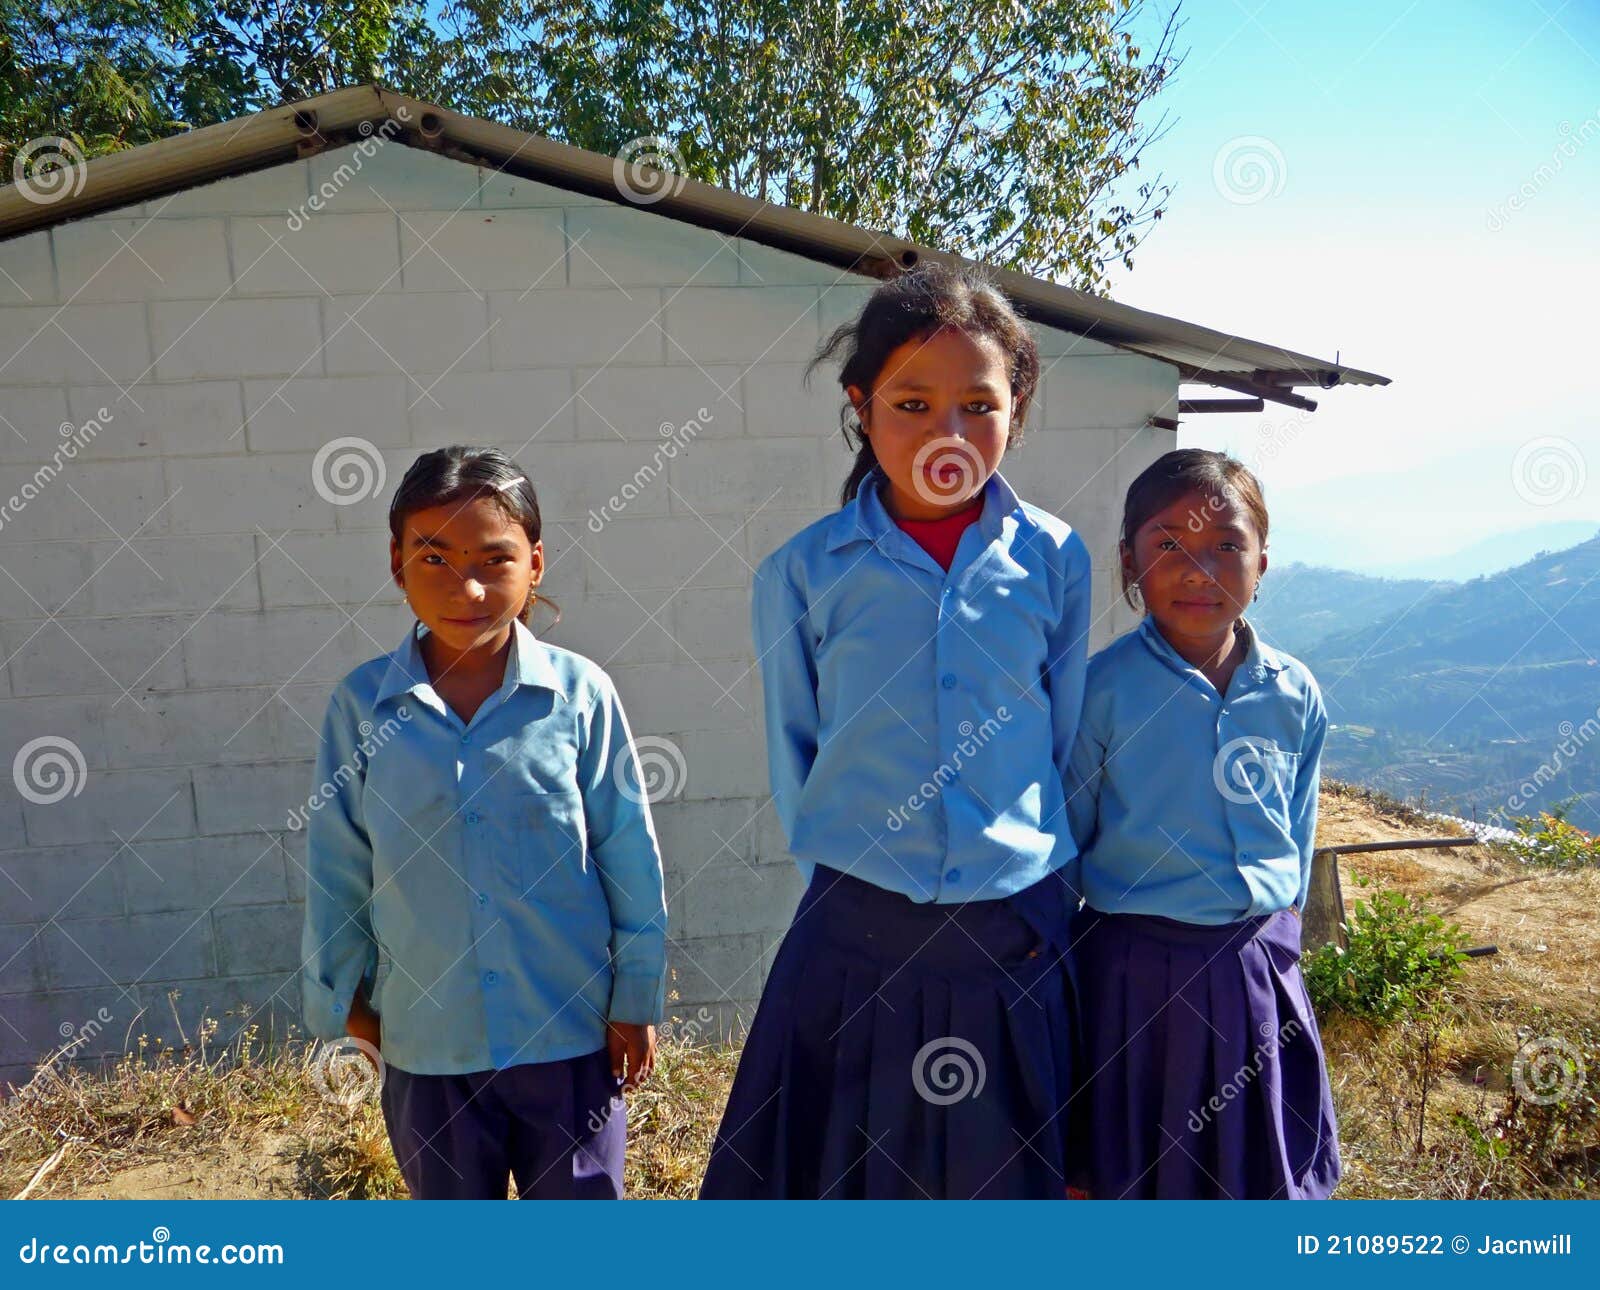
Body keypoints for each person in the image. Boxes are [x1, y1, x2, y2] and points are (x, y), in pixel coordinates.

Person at [699, 262, 1092, 1198]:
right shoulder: (803, 573)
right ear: (860, 407)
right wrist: (861, 889)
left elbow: (1065, 746)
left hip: (1015, 943)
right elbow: (795, 751)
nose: (946, 433)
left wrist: (1039, 898)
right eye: (911, 402)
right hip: (855, 944)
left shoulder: (1056, 560)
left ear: (1017, 409)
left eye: (978, 405)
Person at [299, 445, 667, 1199]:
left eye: (495, 559)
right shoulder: (363, 708)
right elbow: (339, 866)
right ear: (397, 563)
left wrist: (636, 998)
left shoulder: (581, 697)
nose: (466, 586)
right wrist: (347, 1005)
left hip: (566, 1034)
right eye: (434, 558)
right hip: (430, 1044)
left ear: (535, 564)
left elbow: (629, 852)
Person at [1065, 447, 1340, 1199]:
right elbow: (1067, 847)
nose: (1199, 570)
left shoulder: (1294, 694)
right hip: (1135, 980)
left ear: (1263, 563)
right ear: (1129, 562)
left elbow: (1298, 831)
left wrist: (1276, 943)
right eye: (1169, 546)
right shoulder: (1102, 694)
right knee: (1141, 1181)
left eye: (1227, 546)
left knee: (1257, 1177)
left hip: (1259, 973)